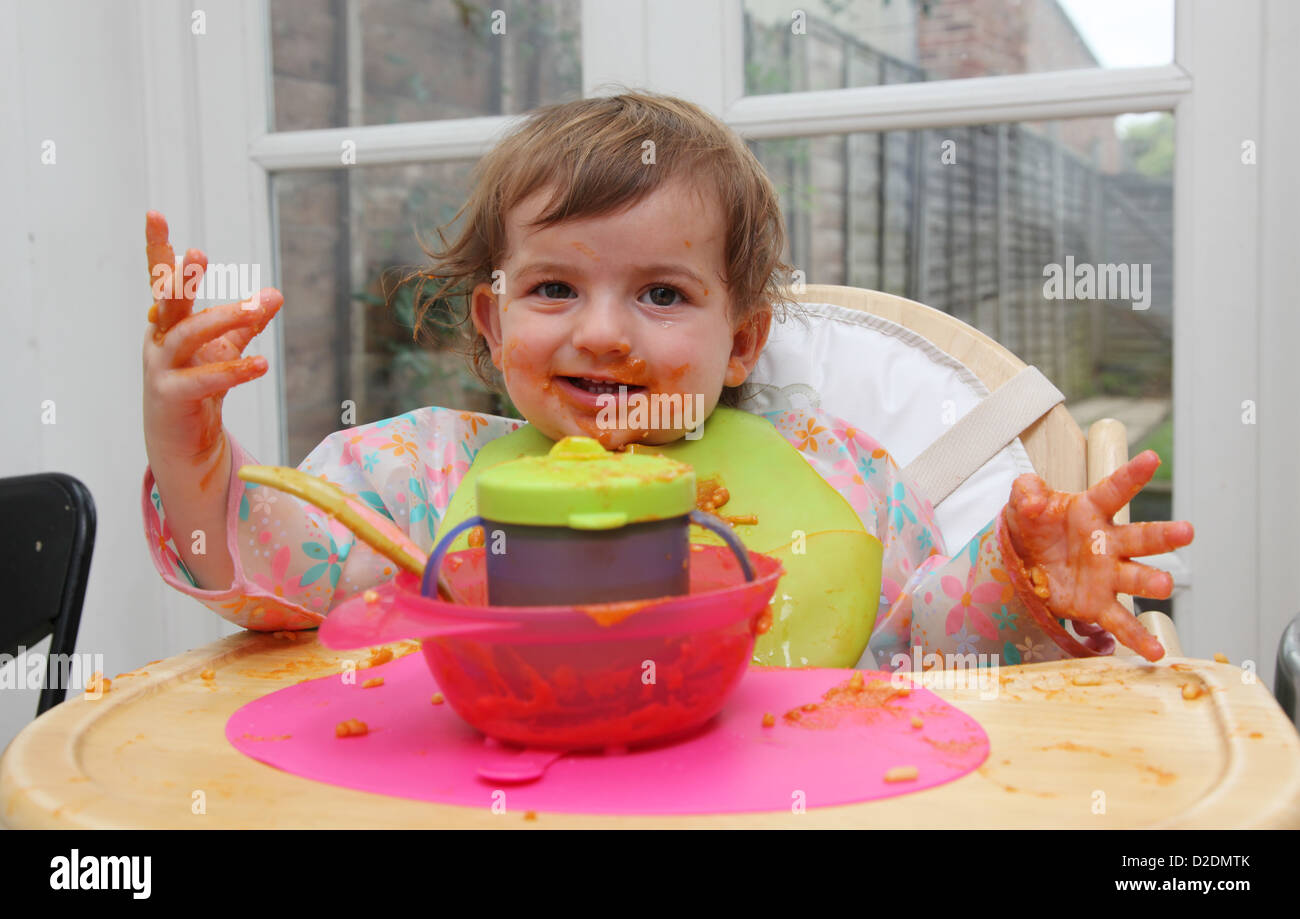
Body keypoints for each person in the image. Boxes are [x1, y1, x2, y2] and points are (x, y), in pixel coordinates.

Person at [141, 90, 1193, 671]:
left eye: (660, 295)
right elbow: (279, 583)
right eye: (553, 287)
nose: (603, 334)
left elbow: (921, 642)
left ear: (741, 343)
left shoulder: (831, 471)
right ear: (492, 318)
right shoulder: (420, 479)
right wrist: (195, 463)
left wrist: (1023, 581)